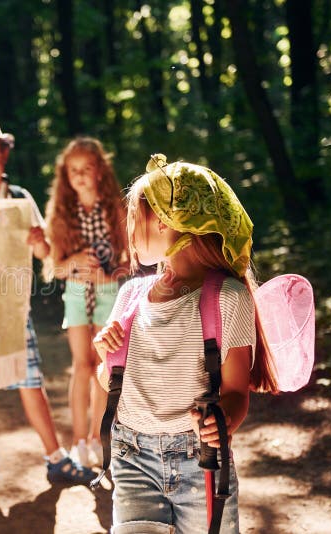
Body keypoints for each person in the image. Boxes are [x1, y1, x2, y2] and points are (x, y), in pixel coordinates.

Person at [93, 155, 279, 533]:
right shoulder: (130, 296)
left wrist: (222, 422)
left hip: (202, 462)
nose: (128, 230)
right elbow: (111, 383)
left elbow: (235, 393)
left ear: (165, 220)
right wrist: (104, 357)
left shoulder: (227, 298)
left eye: (135, 218)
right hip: (131, 459)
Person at [0, 118, 97, 487]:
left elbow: (46, 253)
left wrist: (37, 243)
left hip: (13, 309)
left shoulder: (20, 198)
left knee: (30, 381)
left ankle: (55, 458)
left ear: (4, 154)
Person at [43, 137, 128, 468]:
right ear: (65, 176)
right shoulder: (62, 214)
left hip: (108, 292)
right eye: (72, 171)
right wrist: (76, 259)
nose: (79, 176)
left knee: (102, 366)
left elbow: (132, 259)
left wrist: (112, 275)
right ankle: (79, 441)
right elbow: (54, 268)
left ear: (100, 172)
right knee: (81, 365)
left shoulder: (115, 208)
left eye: (86, 169)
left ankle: (98, 438)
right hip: (77, 292)